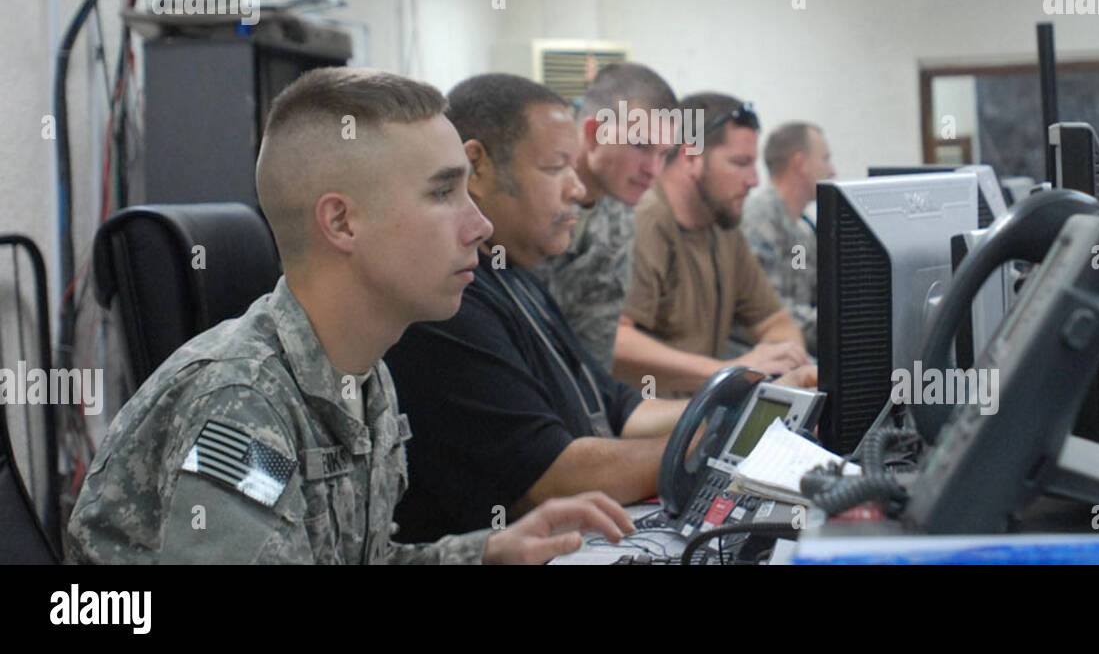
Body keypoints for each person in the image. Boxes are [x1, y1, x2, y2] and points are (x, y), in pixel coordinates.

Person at [67, 68, 631, 564]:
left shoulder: (364, 375)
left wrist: (486, 552)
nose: (480, 226)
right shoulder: (241, 406)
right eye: (442, 194)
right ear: (341, 223)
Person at [387, 75, 814, 541]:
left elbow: (618, 408)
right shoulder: (448, 306)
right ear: (478, 168)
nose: (576, 190)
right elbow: (554, 476)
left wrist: (746, 402)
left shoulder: (516, 276)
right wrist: (725, 443)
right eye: (555, 169)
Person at [615, 94, 812, 394]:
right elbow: (616, 340)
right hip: (645, 422)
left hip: (697, 413)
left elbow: (774, 320)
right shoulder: (647, 219)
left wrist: (785, 361)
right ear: (691, 157)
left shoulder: (722, 223)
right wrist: (729, 372)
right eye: (740, 163)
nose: (754, 180)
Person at [531, 63, 678, 372]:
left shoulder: (619, 215)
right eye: (641, 146)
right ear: (595, 134)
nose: (653, 170)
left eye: (664, 154)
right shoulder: (529, 198)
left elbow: (593, 355)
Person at [741, 122, 835, 351]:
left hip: (800, 349)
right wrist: (841, 325)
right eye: (825, 159)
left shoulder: (803, 228)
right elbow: (769, 312)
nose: (832, 171)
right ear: (800, 163)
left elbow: (813, 294)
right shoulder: (759, 219)